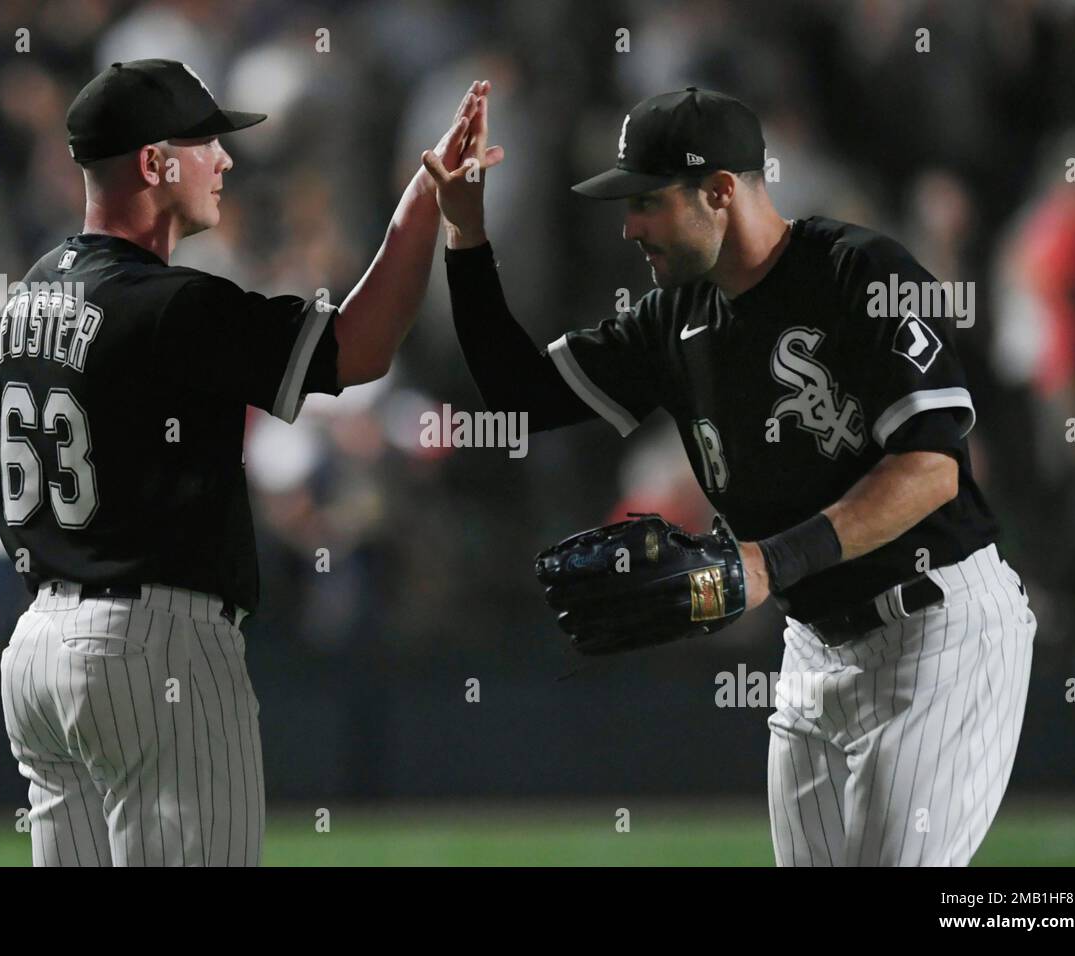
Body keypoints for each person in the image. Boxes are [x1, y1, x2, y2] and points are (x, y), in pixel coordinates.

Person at [425, 86, 1036, 866]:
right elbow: (517, 393)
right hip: (816, 647)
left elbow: (930, 470)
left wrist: (769, 562)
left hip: (938, 631)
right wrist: (466, 232)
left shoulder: (859, 274)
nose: (629, 227)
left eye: (647, 201)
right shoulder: (671, 319)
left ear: (719, 191)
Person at [0, 59, 487, 866]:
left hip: (39, 645)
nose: (224, 160)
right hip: (152, 646)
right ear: (155, 163)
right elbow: (358, 349)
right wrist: (424, 201)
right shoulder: (173, 303)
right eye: (205, 142)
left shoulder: (21, 302)